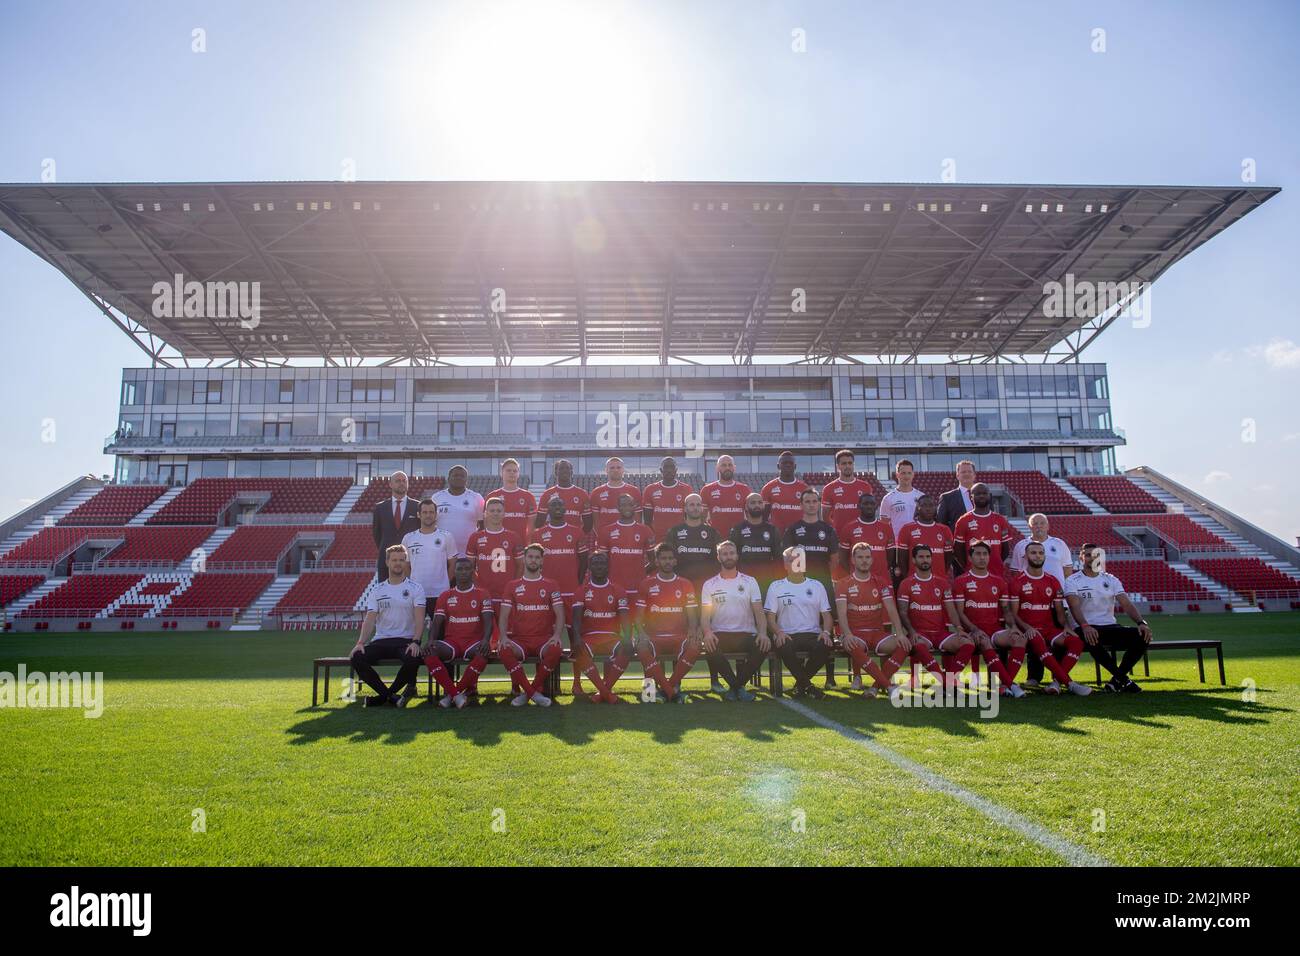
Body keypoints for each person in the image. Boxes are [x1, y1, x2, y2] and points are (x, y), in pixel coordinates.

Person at [1063, 544, 1153, 693]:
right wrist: (1085, 626)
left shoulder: (1110, 579)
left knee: (1142, 635)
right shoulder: (1073, 580)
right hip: (1084, 627)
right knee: (1091, 638)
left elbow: (1126, 603)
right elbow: (1073, 606)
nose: (1092, 558)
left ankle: (1116, 680)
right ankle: (1123, 680)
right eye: (1088, 555)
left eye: (1096, 555)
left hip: (1109, 626)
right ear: (1081, 557)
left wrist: (1141, 622)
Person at [1009, 542, 1092, 696]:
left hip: (1048, 629)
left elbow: (1059, 613)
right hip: (1027, 630)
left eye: (1041, 553)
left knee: (1076, 641)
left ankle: (1056, 682)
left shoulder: (1052, 581)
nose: (1037, 556)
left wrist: (1066, 626)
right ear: (1026, 556)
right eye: (1033, 553)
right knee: (1038, 640)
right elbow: (1014, 614)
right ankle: (1070, 683)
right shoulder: (1017, 581)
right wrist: (1027, 628)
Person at [349, 544, 426, 707]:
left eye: (401, 560)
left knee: (414, 658)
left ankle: (383, 697)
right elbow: (369, 620)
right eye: (394, 560)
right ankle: (390, 696)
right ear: (387, 562)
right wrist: (360, 643)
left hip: (405, 641)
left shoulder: (416, 589)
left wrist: (416, 641)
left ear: (406, 562)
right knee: (357, 658)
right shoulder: (377, 590)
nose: (398, 563)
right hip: (381, 641)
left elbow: (420, 619)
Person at [834, 543, 914, 699]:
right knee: (852, 644)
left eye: (867, 557)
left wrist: (900, 634)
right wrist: (847, 634)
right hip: (855, 634)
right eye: (860, 557)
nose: (864, 561)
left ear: (872, 560)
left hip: (877, 633)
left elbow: (891, 609)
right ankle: (889, 686)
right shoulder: (843, 583)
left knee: (904, 645)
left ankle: (875, 688)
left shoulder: (881, 582)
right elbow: (841, 613)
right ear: (852, 560)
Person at [664, 493, 726, 691]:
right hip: (680, 593)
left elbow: (720, 561)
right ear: (685, 508)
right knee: (681, 633)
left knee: (709, 632)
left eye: (698, 504)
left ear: (702, 508)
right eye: (691, 504)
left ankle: (714, 680)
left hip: (706, 592)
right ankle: (677, 682)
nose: (695, 507)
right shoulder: (675, 532)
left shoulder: (712, 533)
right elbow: (669, 560)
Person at [951, 541, 1027, 697]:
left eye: (985, 554)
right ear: (970, 558)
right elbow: (959, 613)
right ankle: (1011, 685)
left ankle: (1004, 685)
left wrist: (1012, 627)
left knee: (1020, 639)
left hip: (994, 631)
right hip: (972, 632)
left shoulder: (999, 581)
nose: (982, 557)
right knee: (984, 641)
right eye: (978, 554)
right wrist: (974, 629)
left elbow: (1006, 610)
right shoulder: (961, 581)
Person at [531, 495, 589, 694]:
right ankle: (544, 684)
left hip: (571, 594)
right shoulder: (539, 534)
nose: (557, 507)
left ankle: (576, 683)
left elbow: (583, 562)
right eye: (553, 504)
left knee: (575, 639)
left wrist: (577, 585)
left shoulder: (577, 532)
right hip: (547, 594)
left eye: (560, 504)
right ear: (547, 509)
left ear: (565, 509)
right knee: (545, 638)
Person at [497, 544, 567, 707]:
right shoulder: (512, 585)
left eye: (537, 557)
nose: (533, 560)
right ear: (524, 558)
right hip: (520, 639)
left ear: (542, 561)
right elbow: (504, 615)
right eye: (530, 557)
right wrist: (503, 636)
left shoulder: (551, 585)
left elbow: (560, 613)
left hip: (544, 639)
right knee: (503, 648)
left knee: (556, 649)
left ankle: (528, 692)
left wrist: (557, 635)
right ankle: (533, 693)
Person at [699, 540, 769, 702]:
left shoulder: (750, 581)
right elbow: (704, 616)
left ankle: (734, 687)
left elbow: (759, 612)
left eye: (731, 553)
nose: (728, 556)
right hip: (721, 634)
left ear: (737, 555)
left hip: (746, 634)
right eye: (724, 553)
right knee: (709, 645)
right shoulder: (709, 584)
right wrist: (708, 633)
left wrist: (763, 633)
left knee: (764, 645)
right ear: (718, 557)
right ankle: (738, 687)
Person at [633, 543, 702, 704]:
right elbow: (637, 617)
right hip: (653, 635)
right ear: (656, 561)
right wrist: (641, 634)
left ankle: (669, 688)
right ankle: (651, 691)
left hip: (678, 635)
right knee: (642, 647)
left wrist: (693, 629)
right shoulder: (646, 584)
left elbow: (692, 613)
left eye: (670, 558)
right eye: (663, 558)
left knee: (696, 646)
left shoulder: (685, 584)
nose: (667, 561)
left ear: (676, 561)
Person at [896, 544, 973, 687]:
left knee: (968, 643)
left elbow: (951, 610)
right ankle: (946, 682)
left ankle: (950, 680)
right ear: (913, 560)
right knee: (919, 646)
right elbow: (902, 612)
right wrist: (911, 632)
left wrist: (958, 628)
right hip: (919, 633)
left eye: (927, 557)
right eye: (921, 557)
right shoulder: (906, 584)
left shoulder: (942, 583)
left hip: (940, 633)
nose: (925, 560)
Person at [422, 557, 494, 709]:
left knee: (483, 652)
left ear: (473, 572)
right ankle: (456, 695)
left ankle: (451, 695)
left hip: (473, 642)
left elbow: (489, 621)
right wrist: (431, 640)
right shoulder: (445, 596)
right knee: (429, 651)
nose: (463, 572)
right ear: (454, 572)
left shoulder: (482, 594)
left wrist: (486, 640)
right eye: (460, 569)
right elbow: (436, 623)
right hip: (452, 643)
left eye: (467, 569)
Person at [764, 546, 834, 699]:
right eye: (791, 560)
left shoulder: (817, 586)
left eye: (799, 559)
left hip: (812, 634)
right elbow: (770, 618)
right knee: (783, 644)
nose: (796, 562)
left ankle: (801, 686)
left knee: (826, 644)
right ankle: (808, 686)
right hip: (787, 635)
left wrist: (826, 632)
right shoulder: (776, 587)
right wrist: (778, 632)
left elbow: (827, 616)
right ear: (785, 565)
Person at [571, 550, 627, 703]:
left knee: (628, 648)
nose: (599, 566)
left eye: (602, 563)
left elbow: (624, 618)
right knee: (578, 651)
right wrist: (576, 638)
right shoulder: (581, 591)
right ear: (589, 567)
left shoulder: (618, 590)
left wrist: (628, 637)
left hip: (612, 637)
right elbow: (575, 620)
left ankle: (603, 692)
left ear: (608, 566)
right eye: (595, 563)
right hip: (589, 637)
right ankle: (607, 693)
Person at [401, 497, 458, 624]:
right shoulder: (408, 538)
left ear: (436, 515)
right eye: (425, 512)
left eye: (431, 512)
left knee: (441, 631)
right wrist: (413, 584)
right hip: (417, 593)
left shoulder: (446, 536)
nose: (428, 515)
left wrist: (445, 582)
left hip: (440, 593)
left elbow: (452, 564)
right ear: (418, 515)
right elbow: (406, 565)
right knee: (414, 630)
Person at [595, 493, 655, 595]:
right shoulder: (606, 531)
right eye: (623, 505)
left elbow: (654, 560)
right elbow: (602, 562)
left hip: (638, 586)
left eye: (630, 504)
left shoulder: (646, 530)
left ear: (635, 507)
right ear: (618, 507)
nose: (627, 507)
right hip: (614, 587)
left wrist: (641, 572)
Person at [952, 482, 1012, 578]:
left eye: (984, 493)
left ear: (990, 496)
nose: (981, 496)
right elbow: (958, 551)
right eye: (978, 494)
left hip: (996, 574)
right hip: (972, 576)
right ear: (971, 497)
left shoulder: (1000, 520)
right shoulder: (963, 520)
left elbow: (1005, 550)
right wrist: (968, 566)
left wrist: (995, 562)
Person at [371, 470, 421, 581]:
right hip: (387, 562)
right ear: (390, 484)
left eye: (404, 481)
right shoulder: (380, 508)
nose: (402, 483)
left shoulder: (417, 506)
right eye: (398, 481)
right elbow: (377, 534)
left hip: (412, 561)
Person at [895, 494, 957, 581]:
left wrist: (941, 574)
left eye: (931, 505)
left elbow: (948, 558)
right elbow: (901, 559)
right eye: (924, 505)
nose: (928, 508)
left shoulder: (945, 530)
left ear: (935, 508)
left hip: (939, 580)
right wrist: (908, 578)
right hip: (915, 582)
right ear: (918, 508)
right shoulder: (907, 529)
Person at [728, 492, 783, 590]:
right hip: (743, 584)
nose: (757, 505)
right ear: (746, 507)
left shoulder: (772, 530)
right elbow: (732, 559)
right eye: (752, 503)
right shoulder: (737, 530)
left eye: (759, 502)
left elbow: (778, 559)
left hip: (767, 583)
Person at [821, 449, 877, 537]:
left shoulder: (865, 487)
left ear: (853, 465)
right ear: (838, 466)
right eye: (844, 463)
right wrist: (836, 528)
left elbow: (870, 512)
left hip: (861, 535)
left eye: (850, 463)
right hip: (839, 536)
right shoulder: (829, 488)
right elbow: (825, 517)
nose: (847, 466)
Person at [431, 465, 485, 556]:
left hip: (468, 553)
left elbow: (483, 525)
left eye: (462, 476)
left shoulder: (476, 498)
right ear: (448, 478)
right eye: (455, 475)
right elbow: (430, 523)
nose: (458, 478)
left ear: (466, 480)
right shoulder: (437, 498)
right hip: (442, 552)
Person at [1009, 513, 1072, 585]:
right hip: (1029, 590)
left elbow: (1067, 570)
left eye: (1042, 523)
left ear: (1047, 526)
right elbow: (1015, 572)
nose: (1039, 526)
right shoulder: (1020, 546)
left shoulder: (1060, 544)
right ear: (1029, 526)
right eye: (1035, 523)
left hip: (1057, 591)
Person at [700, 454, 751, 537]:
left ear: (734, 468)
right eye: (723, 465)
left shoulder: (744, 489)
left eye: (730, 465)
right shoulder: (707, 490)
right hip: (716, 538)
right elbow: (702, 518)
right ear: (717, 468)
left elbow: (750, 517)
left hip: (739, 538)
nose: (727, 468)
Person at [643, 457, 694, 539]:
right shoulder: (650, 489)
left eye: (672, 467)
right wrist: (652, 536)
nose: (669, 470)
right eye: (666, 467)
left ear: (676, 470)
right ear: (661, 470)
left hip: (681, 537)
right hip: (658, 538)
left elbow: (690, 517)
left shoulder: (686, 489)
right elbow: (647, 521)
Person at [487, 458, 537, 542]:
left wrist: (528, 545)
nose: (512, 473)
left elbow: (532, 526)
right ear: (501, 473)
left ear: (518, 474)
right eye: (508, 470)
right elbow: (487, 524)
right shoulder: (492, 496)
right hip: (498, 545)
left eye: (515, 471)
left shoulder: (528, 496)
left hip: (521, 545)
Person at [590, 457, 643, 536]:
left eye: (618, 467)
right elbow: (595, 521)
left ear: (623, 470)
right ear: (606, 470)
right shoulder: (596, 492)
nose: (615, 470)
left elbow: (638, 519)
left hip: (628, 536)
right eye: (612, 468)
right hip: (605, 538)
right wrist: (602, 536)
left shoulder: (634, 491)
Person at [536, 459, 591, 532]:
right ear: (556, 472)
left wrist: (578, 536)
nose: (565, 470)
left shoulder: (582, 494)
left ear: (572, 472)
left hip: (574, 539)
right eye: (561, 468)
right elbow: (539, 522)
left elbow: (588, 523)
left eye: (567, 468)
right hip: (553, 538)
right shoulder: (547, 494)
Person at [761, 451, 809, 535]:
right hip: (776, 536)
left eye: (791, 463)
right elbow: (764, 517)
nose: (788, 465)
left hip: (800, 534)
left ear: (795, 466)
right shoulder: (768, 488)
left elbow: (810, 513)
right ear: (778, 466)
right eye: (784, 463)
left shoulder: (804, 488)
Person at [880, 459, 924, 540]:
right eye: (903, 473)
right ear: (897, 475)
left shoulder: (921, 497)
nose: (906, 476)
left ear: (913, 474)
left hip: (919, 541)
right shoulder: (888, 498)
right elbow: (884, 525)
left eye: (909, 473)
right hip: (898, 543)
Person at [936, 459, 978, 529]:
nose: (967, 474)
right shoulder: (946, 498)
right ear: (957, 475)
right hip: (957, 538)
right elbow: (940, 523)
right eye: (963, 472)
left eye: (969, 472)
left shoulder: (985, 495)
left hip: (982, 538)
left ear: (974, 475)